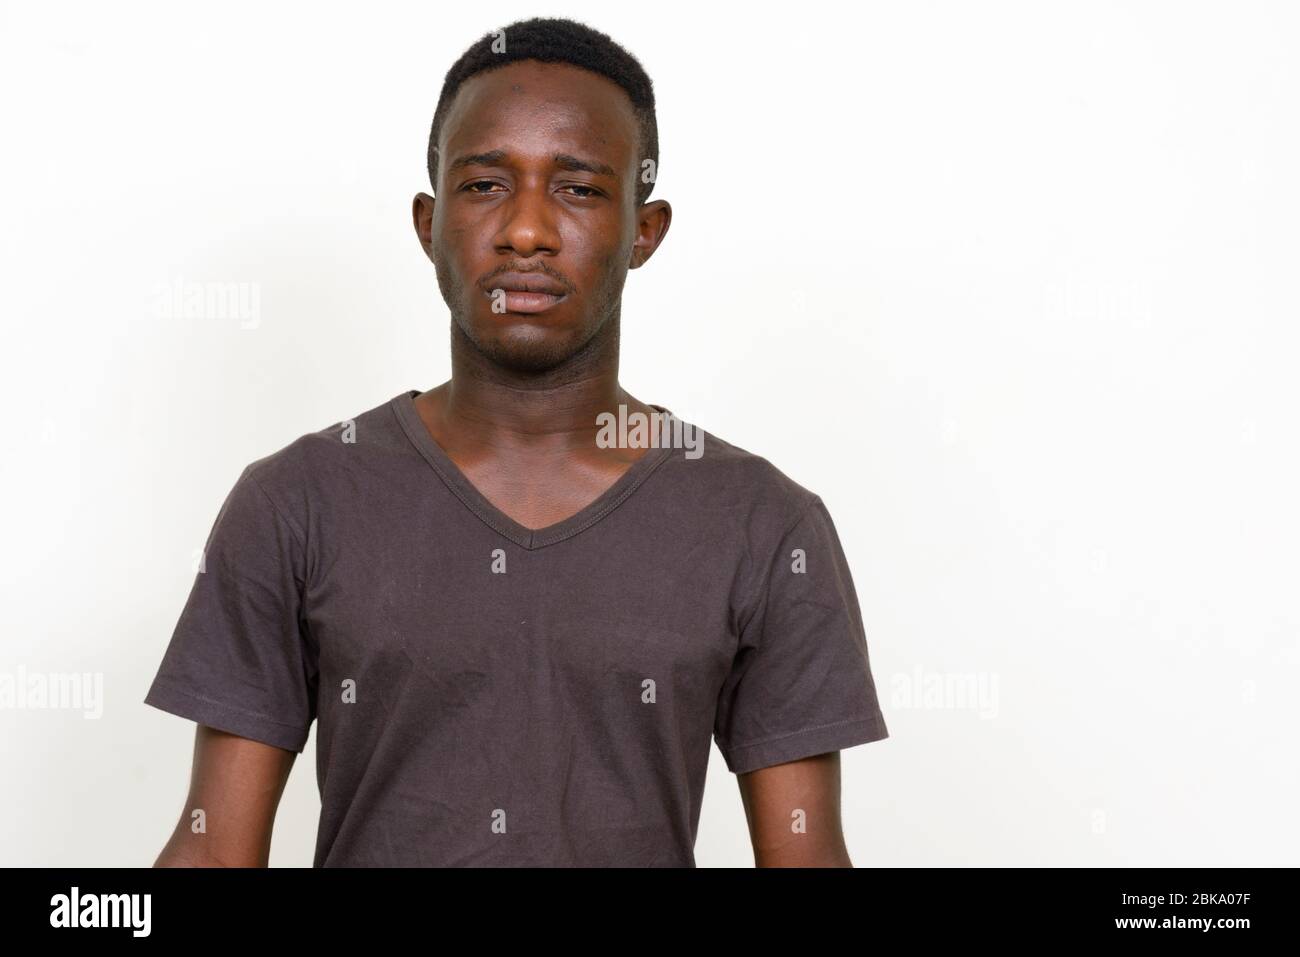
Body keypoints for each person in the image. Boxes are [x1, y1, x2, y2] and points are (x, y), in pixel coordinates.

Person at [145, 16, 888, 868]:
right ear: (428, 224)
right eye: (485, 184)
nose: (526, 231)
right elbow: (213, 851)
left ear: (644, 231)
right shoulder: (295, 502)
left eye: (577, 188)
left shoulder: (765, 525)